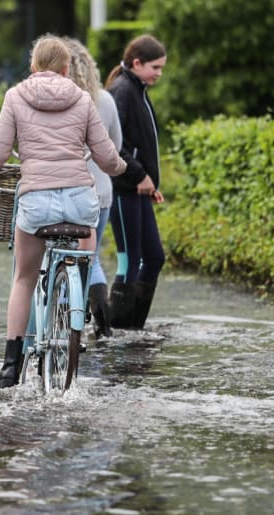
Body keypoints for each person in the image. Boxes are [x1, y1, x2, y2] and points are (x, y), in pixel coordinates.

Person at [0, 35, 126, 389]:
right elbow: (107, 158)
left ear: (33, 65)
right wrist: (121, 168)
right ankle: (75, 314)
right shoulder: (83, 99)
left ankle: (10, 367)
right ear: (65, 68)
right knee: (85, 258)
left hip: (37, 203)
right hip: (79, 203)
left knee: (24, 278)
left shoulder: (15, 96)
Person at [105, 34, 167, 330]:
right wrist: (139, 174)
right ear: (137, 63)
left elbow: (139, 143)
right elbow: (112, 145)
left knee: (154, 257)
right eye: (155, 67)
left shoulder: (138, 90)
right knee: (130, 261)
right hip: (123, 188)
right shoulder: (122, 91)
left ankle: (135, 330)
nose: (159, 73)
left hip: (139, 189)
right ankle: (118, 331)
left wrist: (150, 183)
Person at [62, 36, 122, 339]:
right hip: (100, 192)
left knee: (61, 258)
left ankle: (62, 326)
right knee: (92, 257)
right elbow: (116, 146)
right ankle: (103, 328)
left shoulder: (57, 102)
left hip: (63, 192)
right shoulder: (105, 100)